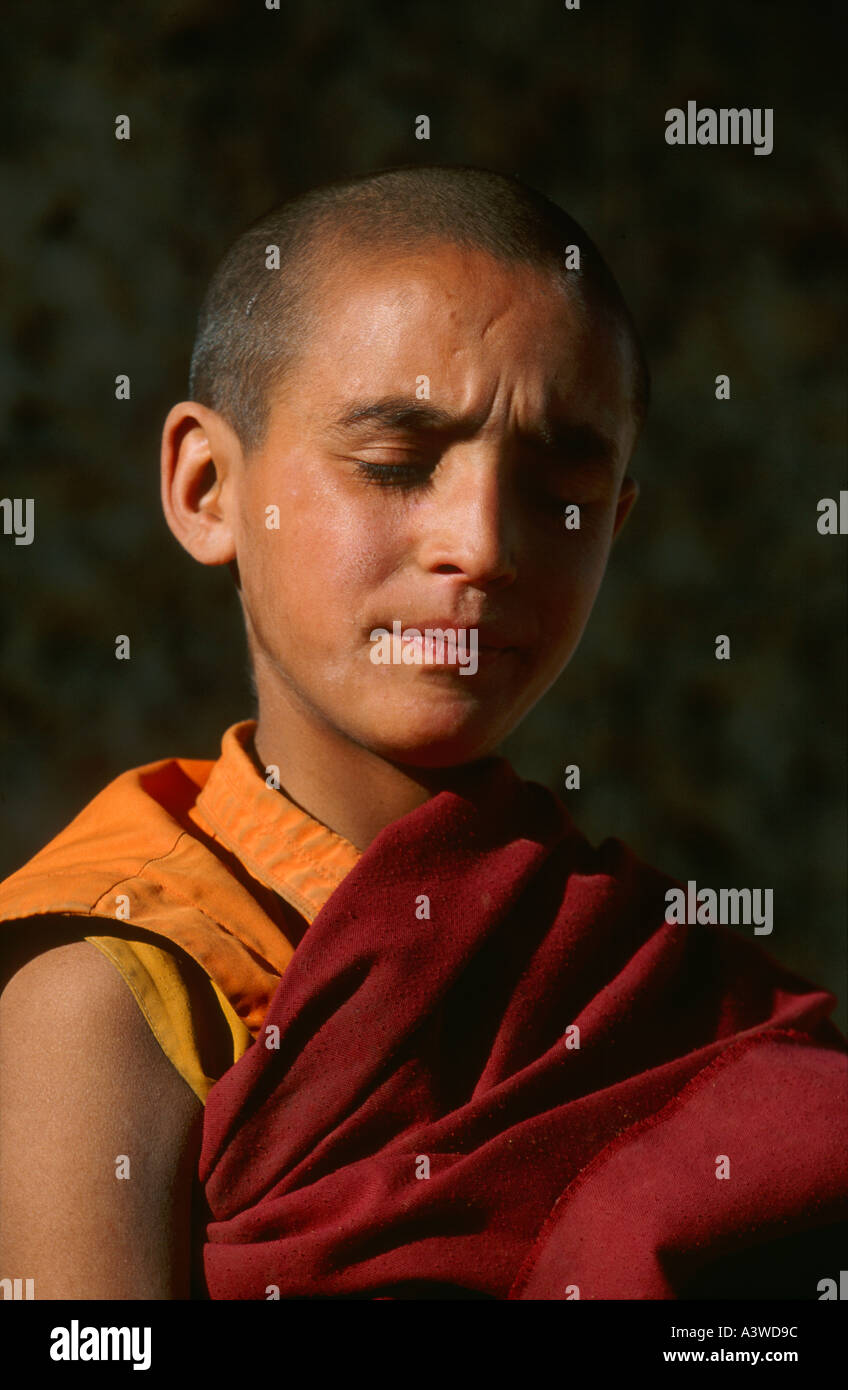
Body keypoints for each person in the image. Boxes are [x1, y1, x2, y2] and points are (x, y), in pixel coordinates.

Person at [0, 165, 845, 1301]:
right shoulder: (118, 980)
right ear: (208, 488)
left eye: (558, 489)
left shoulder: (648, 976)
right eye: (395, 464)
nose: (482, 543)